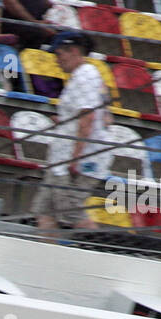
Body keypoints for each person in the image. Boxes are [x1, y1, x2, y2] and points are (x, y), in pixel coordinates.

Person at [31, 30, 112, 233]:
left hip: (78, 159)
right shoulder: (84, 76)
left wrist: (75, 159)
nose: (57, 61)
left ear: (73, 51)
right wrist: (64, 121)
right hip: (63, 156)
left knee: (71, 211)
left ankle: (96, 252)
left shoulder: (86, 76)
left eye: (59, 55)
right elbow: (104, 117)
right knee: (45, 210)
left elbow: (88, 118)